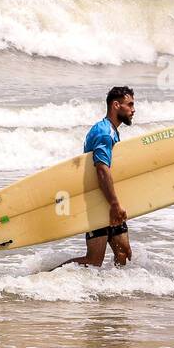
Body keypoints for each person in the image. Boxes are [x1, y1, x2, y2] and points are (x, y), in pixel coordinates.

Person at [62, 86, 134, 268]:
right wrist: (115, 205)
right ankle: (48, 277)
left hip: (107, 198)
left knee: (123, 253)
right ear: (116, 105)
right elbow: (102, 169)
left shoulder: (109, 129)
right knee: (94, 260)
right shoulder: (104, 132)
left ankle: (113, 293)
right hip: (98, 201)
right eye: (130, 104)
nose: (133, 110)